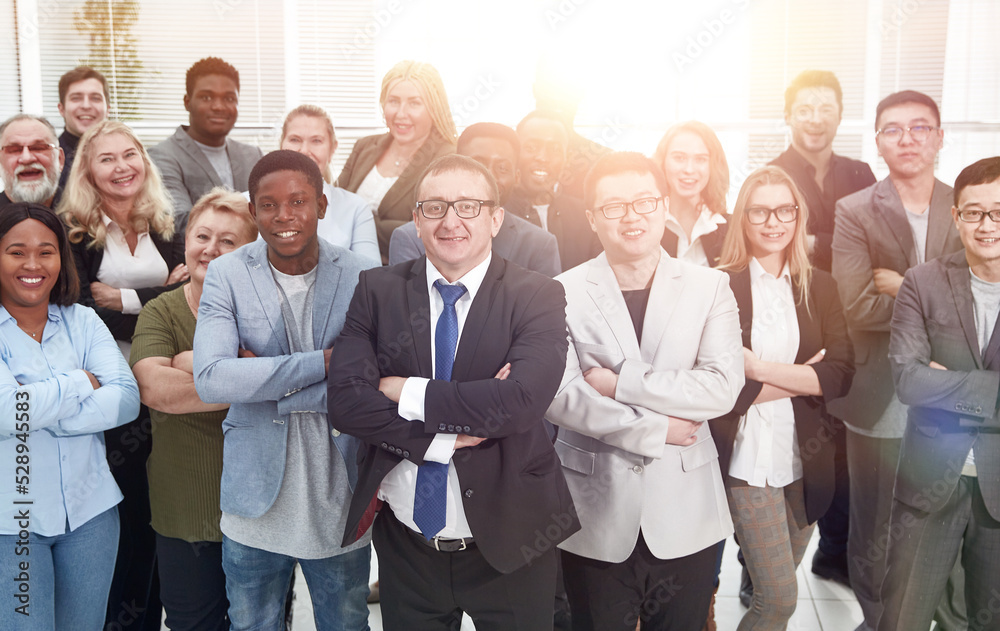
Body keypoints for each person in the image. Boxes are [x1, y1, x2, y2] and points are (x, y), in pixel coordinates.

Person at [327, 154, 577, 630]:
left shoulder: (538, 294)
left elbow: (521, 404)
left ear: (495, 218)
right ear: (417, 220)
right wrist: (442, 436)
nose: (451, 221)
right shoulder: (376, 289)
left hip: (513, 541)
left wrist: (403, 389)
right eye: (435, 207)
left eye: (468, 206)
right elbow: (346, 403)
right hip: (406, 545)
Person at [545, 151, 743, 630]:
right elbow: (563, 396)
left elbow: (721, 388)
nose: (630, 216)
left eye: (644, 201)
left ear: (664, 205)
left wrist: (620, 383)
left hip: (687, 509)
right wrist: (656, 429)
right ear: (592, 218)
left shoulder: (710, 287)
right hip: (593, 511)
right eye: (613, 206)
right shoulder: (560, 291)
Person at [193, 150, 376, 630]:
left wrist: (261, 381)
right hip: (254, 509)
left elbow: (368, 386)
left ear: (321, 204)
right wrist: (323, 363)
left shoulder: (363, 276)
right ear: (253, 212)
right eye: (269, 205)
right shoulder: (227, 274)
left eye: (298, 201)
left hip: (340, 504)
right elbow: (212, 378)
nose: (284, 216)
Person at [830, 89, 965, 631]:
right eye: (893, 129)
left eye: (919, 127)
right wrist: (938, 295)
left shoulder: (970, 204)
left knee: (947, 519)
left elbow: (984, 302)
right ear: (878, 140)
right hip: (879, 393)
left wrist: (906, 283)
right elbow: (857, 304)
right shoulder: (854, 210)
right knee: (876, 528)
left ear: (938, 135)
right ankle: (878, 621)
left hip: (956, 391)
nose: (907, 139)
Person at [708, 165, 855, 630]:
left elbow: (840, 375)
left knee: (774, 591)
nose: (774, 222)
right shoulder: (717, 286)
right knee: (779, 599)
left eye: (785, 210)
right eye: (760, 211)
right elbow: (719, 390)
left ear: (798, 216)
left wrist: (758, 370)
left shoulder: (821, 286)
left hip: (805, 459)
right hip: (744, 460)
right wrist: (801, 375)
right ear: (742, 219)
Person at [58, 119, 188, 631]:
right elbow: (79, 307)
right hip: (111, 393)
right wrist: (158, 298)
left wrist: (127, 298)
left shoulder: (168, 225)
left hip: (168, 384)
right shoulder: (71, 233)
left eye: (129, 154)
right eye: (106, 158)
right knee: (128, 519)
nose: (121, 167)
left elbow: (191, 296)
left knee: (166, 518)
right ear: (86, 169)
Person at [0, 203, 139, 630]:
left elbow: (126, 401)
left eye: (46, 251)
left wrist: (41, 414)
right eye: (16, 251)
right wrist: (81, 382)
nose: (33, 264)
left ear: (62, 258)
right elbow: (8, 412)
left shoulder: (85, 321)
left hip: (92, 516)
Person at [879, 156, 1000, 631]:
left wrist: (947, 383)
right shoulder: (923, 281)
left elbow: (928, 381)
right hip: (928, 483)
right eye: (973, 212)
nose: (986, 224)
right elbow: (908, 380)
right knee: (901, 618)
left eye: (999, 211)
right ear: (956, 217)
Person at [130, 189, 257, 631]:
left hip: (261, 505)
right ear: (185, 241)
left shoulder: (267, 311)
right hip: (185, 504)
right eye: (202, 236)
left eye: (228, 240)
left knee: (261, 623)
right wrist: (254, 379)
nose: (211, 249)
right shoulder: (161, 311)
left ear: (251, 251)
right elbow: (155, 389)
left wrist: (188, 364)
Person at [770, 72, 875, 588]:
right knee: (788, 440)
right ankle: (761, 566)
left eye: (825, 107)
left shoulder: (860, 171)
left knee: (842, 449)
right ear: (788, 115)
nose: (815, 118)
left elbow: (872, 242)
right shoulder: (772, 174)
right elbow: (772, 245)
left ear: (839, 114)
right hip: (791, 321)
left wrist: (816, 240)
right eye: (804, 108)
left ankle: (834, 554)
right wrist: (840, 241)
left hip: (853, 323)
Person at [389, 122, 561, 277]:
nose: (489, 177)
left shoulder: (540, 245)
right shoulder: (411, 238)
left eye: (502, 168)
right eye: (477, 165)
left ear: (516, 177)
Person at [336, 60, 457, 262]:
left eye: (414, 103)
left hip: (403, 276)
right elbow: (333, 209)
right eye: (393, 101)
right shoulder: (364, 147)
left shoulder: (449, 158)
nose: (401, 114)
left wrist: (355, 221)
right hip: (345, 269)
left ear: (434, 108)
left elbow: (424, 231)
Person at [149, 57, 263, 229]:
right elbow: (180, 224)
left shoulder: (253, 156)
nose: (218, 106)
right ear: (187, 102)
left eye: (229, 98)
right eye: (207, 97)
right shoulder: (162, 157)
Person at [279, 104, 379, 263]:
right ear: (281, 144)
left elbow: (371, 277)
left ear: (332, 149)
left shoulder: (355, 209)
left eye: (316, 141)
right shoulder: (246, 203)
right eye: (295, 140)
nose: (304, 151)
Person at [511, 110, 601, 271]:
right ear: (515, 152)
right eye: (531, 147)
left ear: (566, 157)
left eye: (555, 149)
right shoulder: (496, 216)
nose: (543, 157)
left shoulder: (586, 216)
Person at [653, 120, 730, 267]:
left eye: (700, 159)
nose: (689, 169)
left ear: (712, 165)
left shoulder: (731, 230)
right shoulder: (647, 224)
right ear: (663, 162)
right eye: (679, 158)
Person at [56, 66, 109, 198]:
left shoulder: (124, 156)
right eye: (76, 98)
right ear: (61, 109)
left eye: (95, 98)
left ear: (107, 109)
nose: (86, 105)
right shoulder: (52, 161)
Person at [0, 115, 65, 208]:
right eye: (14, 150)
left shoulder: (86, 216)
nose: (27, 158)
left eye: (38, 148)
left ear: (60, 159)